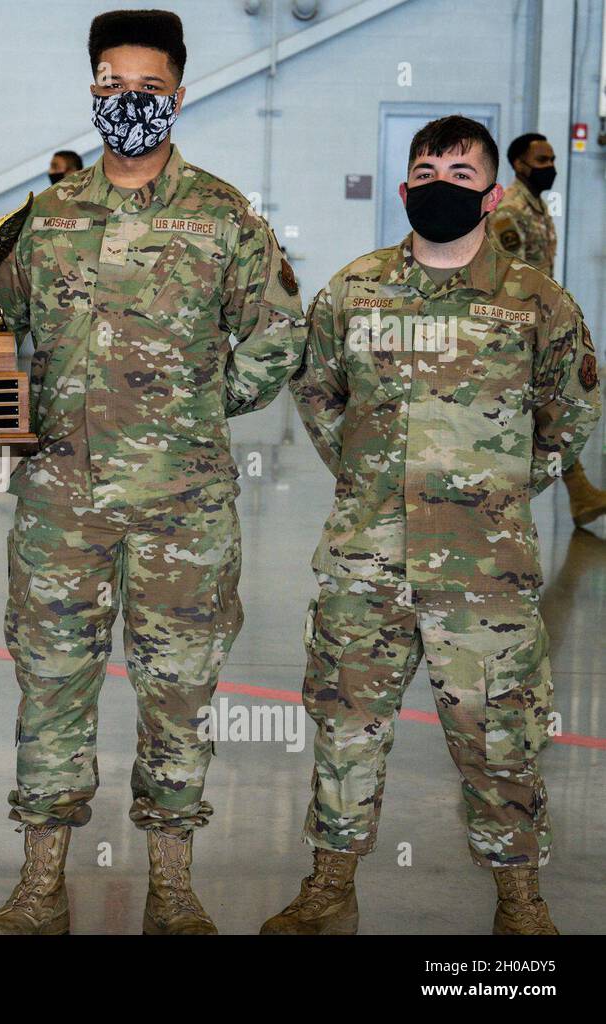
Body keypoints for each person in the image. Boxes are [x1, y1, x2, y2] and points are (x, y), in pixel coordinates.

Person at [0, 9, 304, 935]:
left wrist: (198, 407)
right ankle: (41, 881)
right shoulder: (44, 217)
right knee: (51, 684)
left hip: (181, 506)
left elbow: (278, 333)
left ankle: (172, 881)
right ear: (92, 90)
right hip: (61, 504)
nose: (130, 101)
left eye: (149, 87)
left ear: (179, 96)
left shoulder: (224, 216)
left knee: (180, 690)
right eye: (112, 84)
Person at [265, 116, 599, 936]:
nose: (439, 185)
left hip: (485, 572)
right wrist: (368, 476)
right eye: (425, 171)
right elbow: (317, 391)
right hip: (366, 561)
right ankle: (330, 889)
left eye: (459, 173)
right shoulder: (355, 291)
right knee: (346, 729)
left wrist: (499, 491)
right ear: (404, 185)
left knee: (500, 736)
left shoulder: (537, 301)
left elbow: (570, 412)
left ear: (491, 194)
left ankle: (520, 899)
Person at [489, 132, 605, 528]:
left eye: (552, 159)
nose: (550, 167)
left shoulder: (537, 206)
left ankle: (580, 493)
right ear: (519, 164)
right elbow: (512, 277)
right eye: (542, 160)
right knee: (530, 412)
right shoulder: (510, 210)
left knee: (546, 410)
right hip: (517, 328)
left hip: (539, 323)